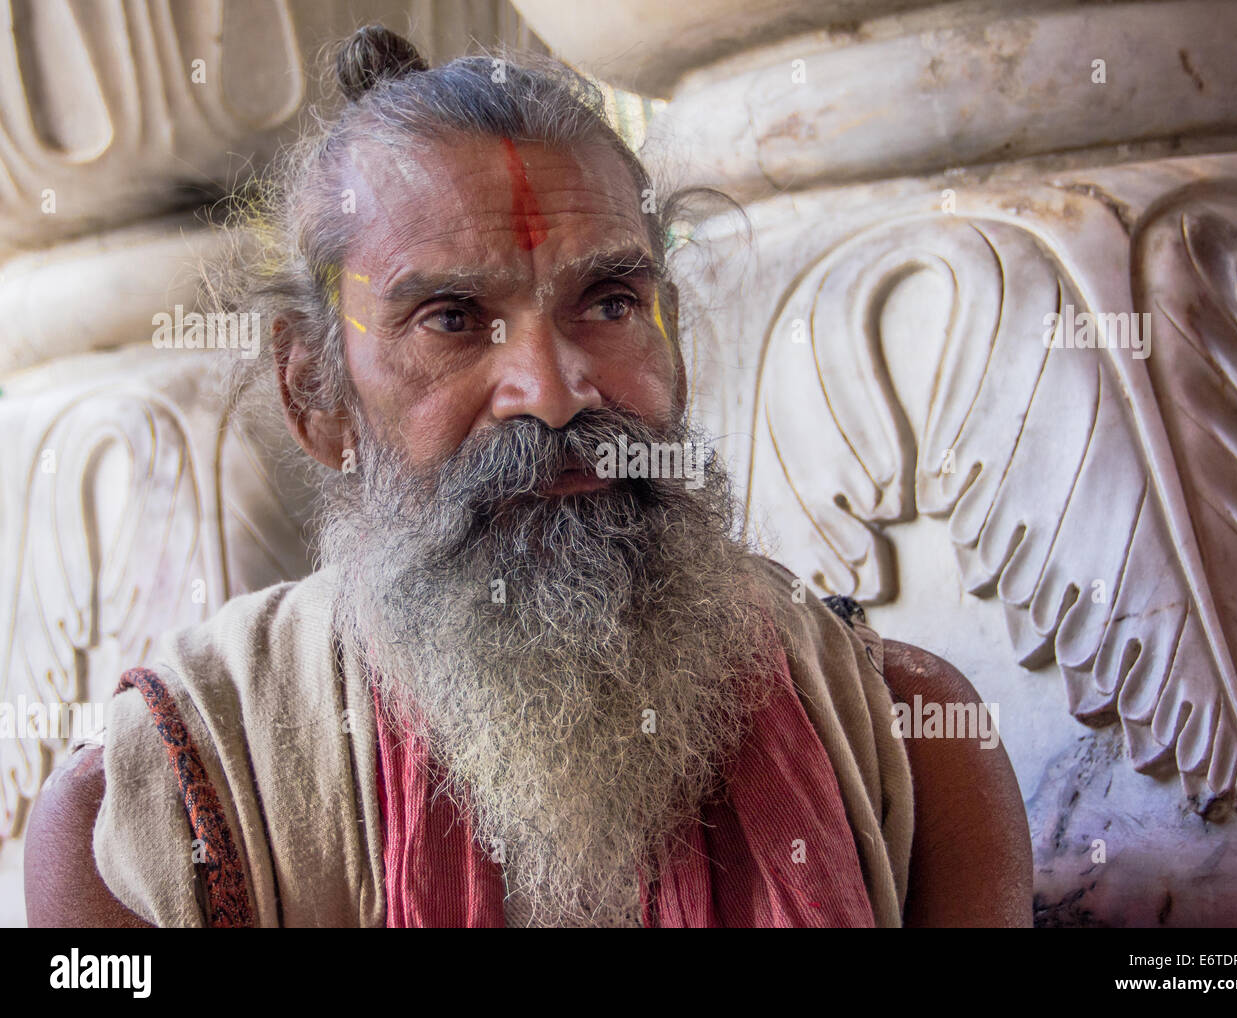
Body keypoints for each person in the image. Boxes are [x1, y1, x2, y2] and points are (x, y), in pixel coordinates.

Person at [25, 25, 1032, 928]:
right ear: (315, 394)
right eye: (454, 319)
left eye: (608, 301)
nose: (553, 393)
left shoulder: (908, 745)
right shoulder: (159, 813)